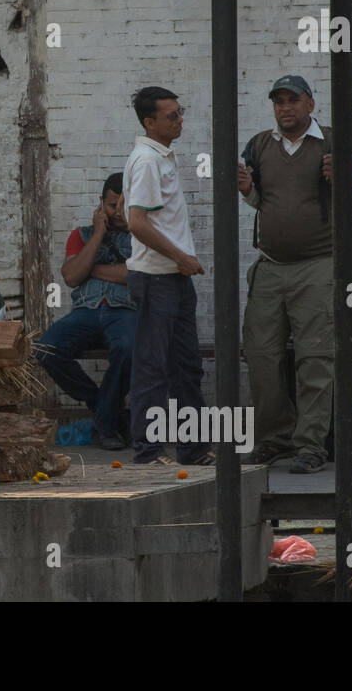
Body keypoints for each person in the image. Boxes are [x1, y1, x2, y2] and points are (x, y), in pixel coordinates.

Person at [236, 75, 335, 474]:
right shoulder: (260, 145)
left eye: (293, 100)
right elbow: (263, 201)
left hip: (318, 264)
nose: (285, 108)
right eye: (279, 101)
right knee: (261, 355)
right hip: (271, 266)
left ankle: (310, 445)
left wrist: (341, 177)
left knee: (315, 358)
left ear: (310, 103)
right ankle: (274, 438)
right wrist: (246, 191)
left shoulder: (331, 142)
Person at [123, 87, 212, 466]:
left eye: (180, 112)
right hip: (156, 279)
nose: (179, 120)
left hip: (173, 279)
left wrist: (181, 263)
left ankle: (192, 449)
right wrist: (181, 257)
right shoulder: (146, 161)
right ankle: (149, 451)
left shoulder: (162, 157)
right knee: (153, 367)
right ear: (149, 122)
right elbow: (137, 223)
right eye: (171, 115)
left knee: (186, 365)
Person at [35, 173, 136, 450]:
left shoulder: (141, 234)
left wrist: (89, 270)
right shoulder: (81, 235)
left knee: (127, 349)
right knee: (46, 349)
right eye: (112, 205)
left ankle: (104, 427)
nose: (117, 212)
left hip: (124, 311)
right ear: (100, 205)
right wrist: (100, 234)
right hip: (86, 312)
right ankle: (104, 407)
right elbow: (70, 277)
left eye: (123, 205)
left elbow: (136, 275)